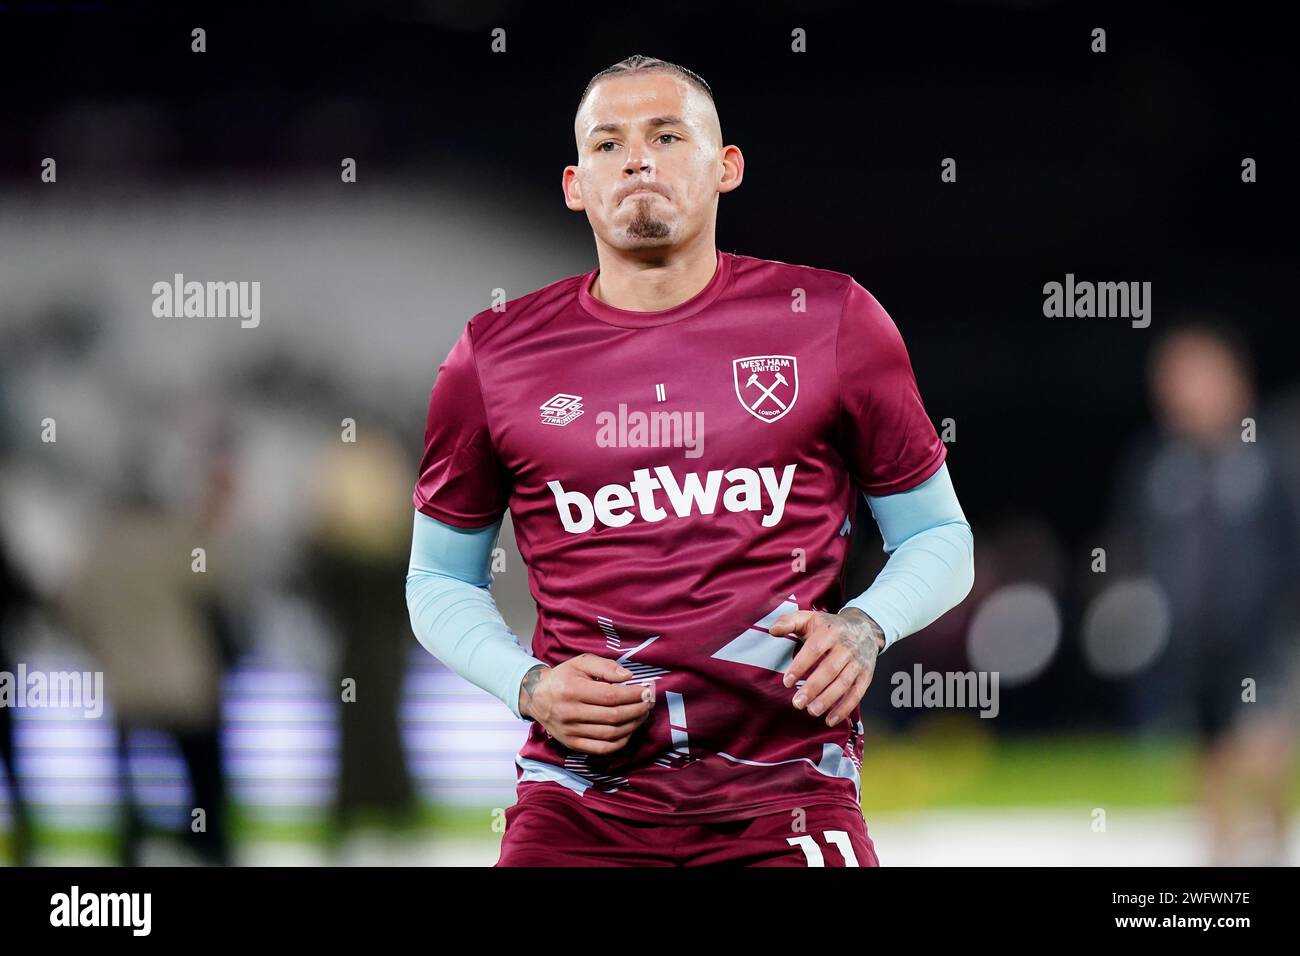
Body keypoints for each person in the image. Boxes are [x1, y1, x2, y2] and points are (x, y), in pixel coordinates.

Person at [406, 55, 974, 866]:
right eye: (608, 145)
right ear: (575, 185)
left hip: (787, 797)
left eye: (667, 135)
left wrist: (864, 626)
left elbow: (941, 537)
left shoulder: (832, 320)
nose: (637, 158)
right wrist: (526, 685)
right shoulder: (492, 357)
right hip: (578, 806)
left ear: (726, 166)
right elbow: (435, 579)